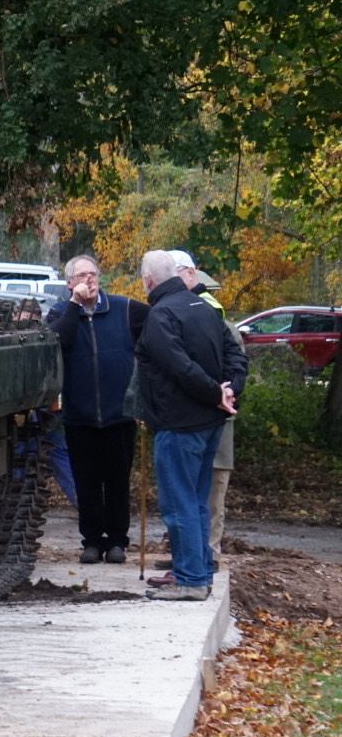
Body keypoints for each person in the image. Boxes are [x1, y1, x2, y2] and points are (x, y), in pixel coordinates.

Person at [134, 249, 247, 601]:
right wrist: (229, 390)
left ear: (148, 281)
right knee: (196, 501)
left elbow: (179, 367)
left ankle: (190, 579)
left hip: (179, 425)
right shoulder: (204, 308)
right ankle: (199, 572)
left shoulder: (161, 315)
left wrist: (217, 392)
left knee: (180, 503)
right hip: (210, 422)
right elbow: (236, 357)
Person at [45, 254, 148, 564]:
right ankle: (91, 540)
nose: (88, 280)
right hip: (79, 415)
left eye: (93, 274)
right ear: (69, 283)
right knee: (87, 482)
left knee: (117, 480)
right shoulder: (60, 312)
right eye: (81, 276)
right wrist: (75, 306)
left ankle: (117, 540)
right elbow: (60, 341)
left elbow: (158, 331)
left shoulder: (124, 308)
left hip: (120, 414)